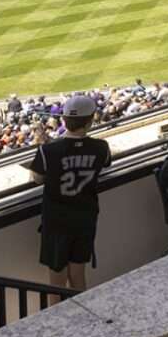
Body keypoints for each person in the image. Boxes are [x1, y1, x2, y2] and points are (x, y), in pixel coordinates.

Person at [28, 94, 112, 289]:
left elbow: (37, 177)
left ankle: (58, 317)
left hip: (57, 220)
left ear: (64, 120)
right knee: (78, 273)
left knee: (56, 282)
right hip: (85, 217)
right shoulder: (101, 147)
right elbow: (105, 162)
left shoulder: (48, 151)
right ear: (91, 121)